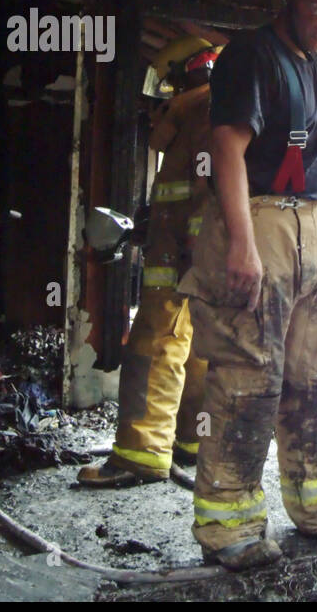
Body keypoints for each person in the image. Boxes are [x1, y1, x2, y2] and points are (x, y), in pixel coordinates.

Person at [176, 0, 317, 569]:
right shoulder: (249, 56)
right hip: (259, 220)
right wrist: (241, 245)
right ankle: (229, 524)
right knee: (247, 379)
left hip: (312, 221)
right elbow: (228, 151)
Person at [78, 38, 219, 487]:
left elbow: (202, 196)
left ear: (183, 75)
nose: (164, 94)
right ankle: (190, 442)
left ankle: (140, 455)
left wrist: (185, 253)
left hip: (179, 262)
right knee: (196, 351)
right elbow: (185, 196)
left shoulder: (200, 113)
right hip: (194, 260)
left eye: (169, 82)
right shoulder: (212, 111)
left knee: (153, 348)